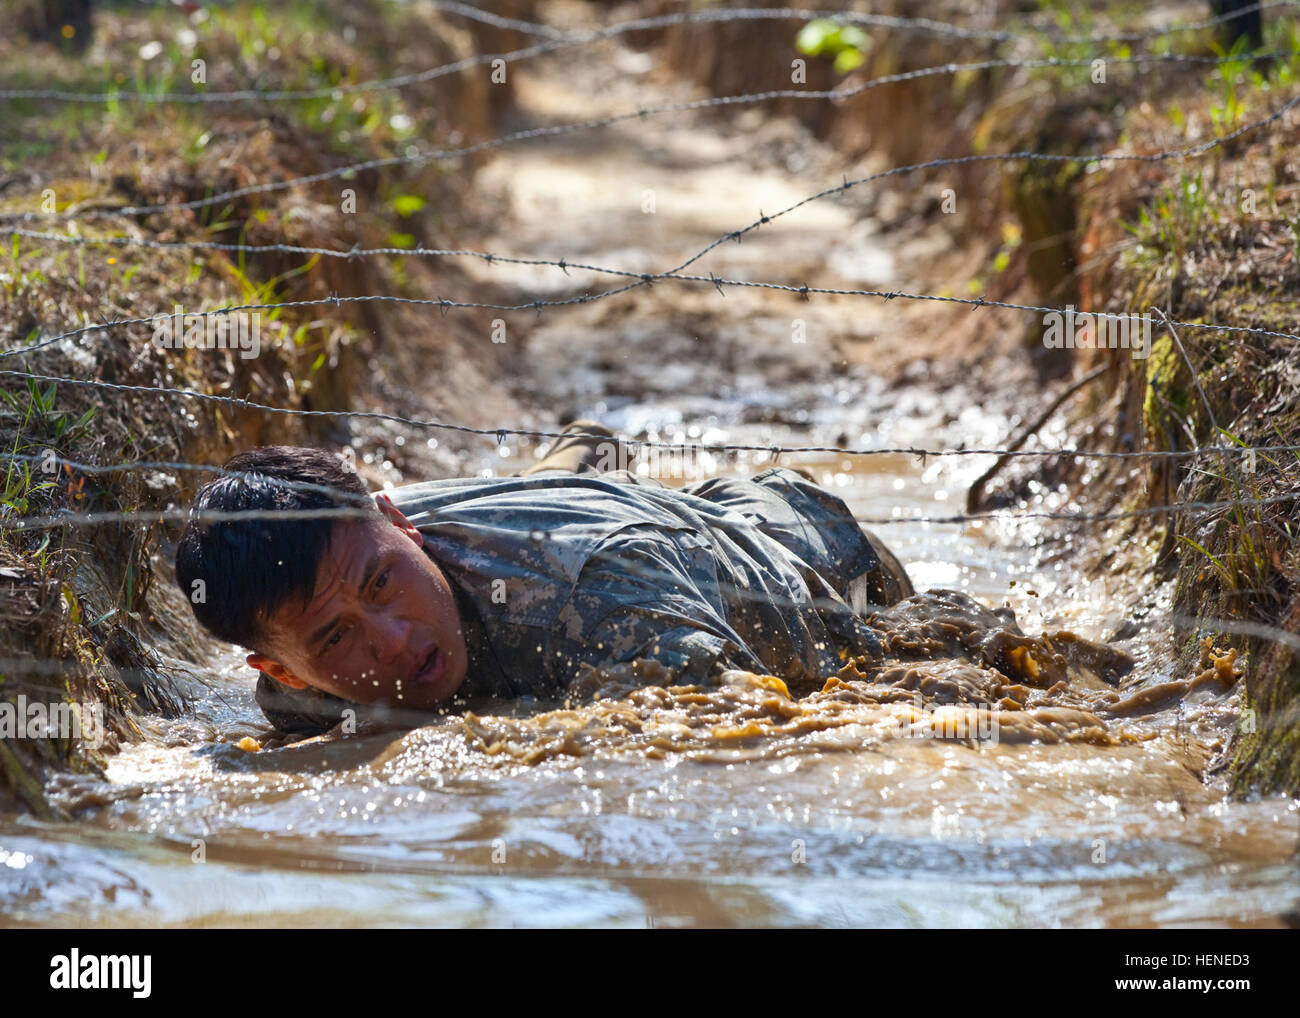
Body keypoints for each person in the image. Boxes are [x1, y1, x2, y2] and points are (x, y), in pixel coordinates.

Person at [174, 422, 913, 733]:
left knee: (846, 572)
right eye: (338, 639)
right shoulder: (296, 698)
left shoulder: (614, 608)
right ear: (285, 670)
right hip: (541, 535)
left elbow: (745, 732)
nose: (394, 644)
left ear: (398, 522)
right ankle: (575, 463)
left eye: (381, 585)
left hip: (759, 541)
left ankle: (584, 473)